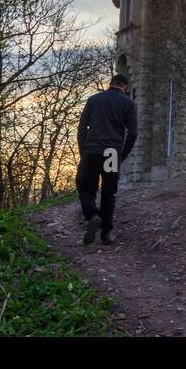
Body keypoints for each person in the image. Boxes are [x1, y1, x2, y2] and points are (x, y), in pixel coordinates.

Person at [77, 73, 137, 246]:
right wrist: (121, 155)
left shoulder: (94, 100)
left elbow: (82, 128)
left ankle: (92, 215)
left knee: (85, 186)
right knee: (109, 192)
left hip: (92, 150)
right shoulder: (129, 103)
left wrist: (83, 152)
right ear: (125, 87)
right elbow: (133, 133)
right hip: (112, 152)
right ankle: (106, 233)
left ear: (110, 84)